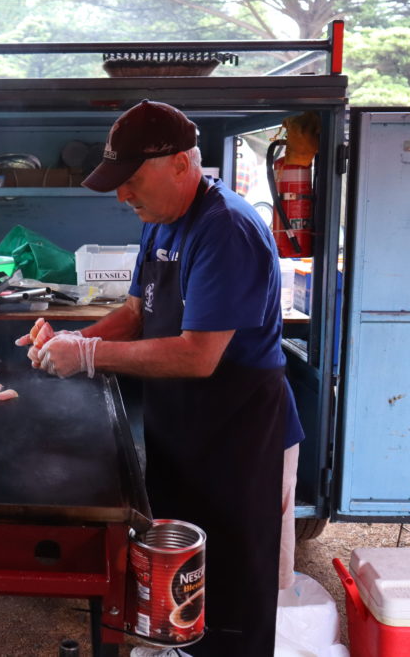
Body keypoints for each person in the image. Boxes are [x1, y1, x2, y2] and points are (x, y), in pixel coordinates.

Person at [17, 100, 303, 656]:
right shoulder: (161, 219)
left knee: (232, 580)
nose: (123, 196)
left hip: (240, 432)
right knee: (179, 569)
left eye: (132, 180)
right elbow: (134, 314)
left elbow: (199, 356)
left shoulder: (225, 229)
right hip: (183, 425)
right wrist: (70, 340)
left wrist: (89, 356)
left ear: (180, 163)